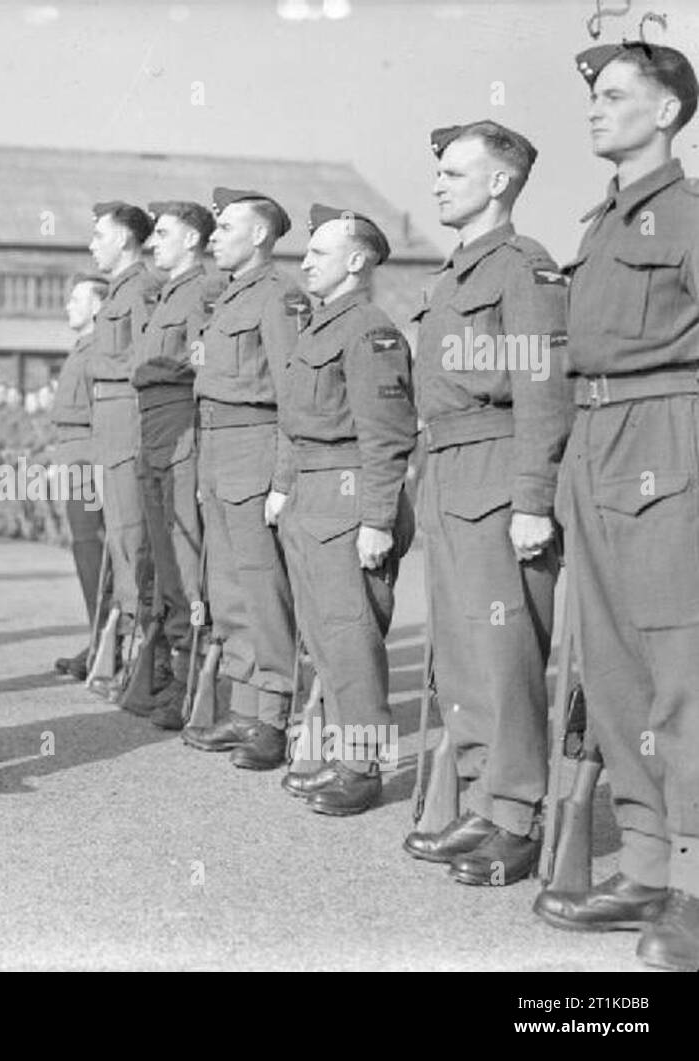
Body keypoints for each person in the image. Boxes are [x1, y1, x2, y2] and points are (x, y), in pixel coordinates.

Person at [532, 41, 699, 972]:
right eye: (592, 95)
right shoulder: (599, 223)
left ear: (669, 111)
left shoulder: (687, 218)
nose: (596, 108)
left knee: (683, 665)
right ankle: (641, 864)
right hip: (594, 442)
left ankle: (696, 883)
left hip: (669, 432)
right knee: (615, 668)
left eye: (616, 95)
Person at [403, 122, 571, 882]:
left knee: (505, 654)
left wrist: (533, 497)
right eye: (438, 172)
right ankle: (479, 800)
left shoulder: (522, 267)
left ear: (500, 182)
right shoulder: (453, 274)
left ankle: (515, 814)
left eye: (454, 171)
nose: (439, 182)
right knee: (462, 652)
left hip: (501, 470)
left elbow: (543, 390)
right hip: (448, 470)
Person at [269, 204, 417, 814]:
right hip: (313, 492)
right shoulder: (322, 328)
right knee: (326, 637)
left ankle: (364, 765)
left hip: (352, 496)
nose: (304, 260)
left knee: (353, 640)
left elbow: (387, 437)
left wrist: (378, 520)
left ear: (356, 262)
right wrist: (283, 486)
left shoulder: (370, 330)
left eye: (319, 253)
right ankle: (340, 751)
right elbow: (295, 421)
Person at [180, 188, 306, 771]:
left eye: (226, 227)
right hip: (217, 447)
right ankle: (243, 705)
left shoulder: (279, 298)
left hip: (255, 446)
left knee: (262, 589)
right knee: (228, 588)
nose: (214, 237)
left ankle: (273, 716)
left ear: (259, 235)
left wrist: (283, 477)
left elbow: (292, 394)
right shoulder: (228, 298)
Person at [132, 200, 222, 728]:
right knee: (162, 557)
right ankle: (167, 669)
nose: (154, 242)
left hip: (180, 423)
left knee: (186, 560)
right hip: (153, 426)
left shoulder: (204, 290)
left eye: (163, 233)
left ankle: (191, 679)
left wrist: (161, 370)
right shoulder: (165, 292)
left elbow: (202, 357)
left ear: (192, 240)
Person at [86, 201, 164, 701]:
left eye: (99, 235)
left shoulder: (143, 289)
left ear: (124, 240)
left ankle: (147, 664)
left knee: (136, 544)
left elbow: (147, 361)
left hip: (129, 423)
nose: (92, 244)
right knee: (120, 541)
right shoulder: (121, 289)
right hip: (109, 425)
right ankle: (131, 661)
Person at [50, 271, 111, 680]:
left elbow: (103, 418)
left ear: (98, 306)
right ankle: (99, 639)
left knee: (96, 554)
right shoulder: (82, 348)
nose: (69, 305)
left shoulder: (98, 351)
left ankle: (108, 644)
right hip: (74, 459)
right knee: (85, 553)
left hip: (90, 463)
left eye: (77, 299)